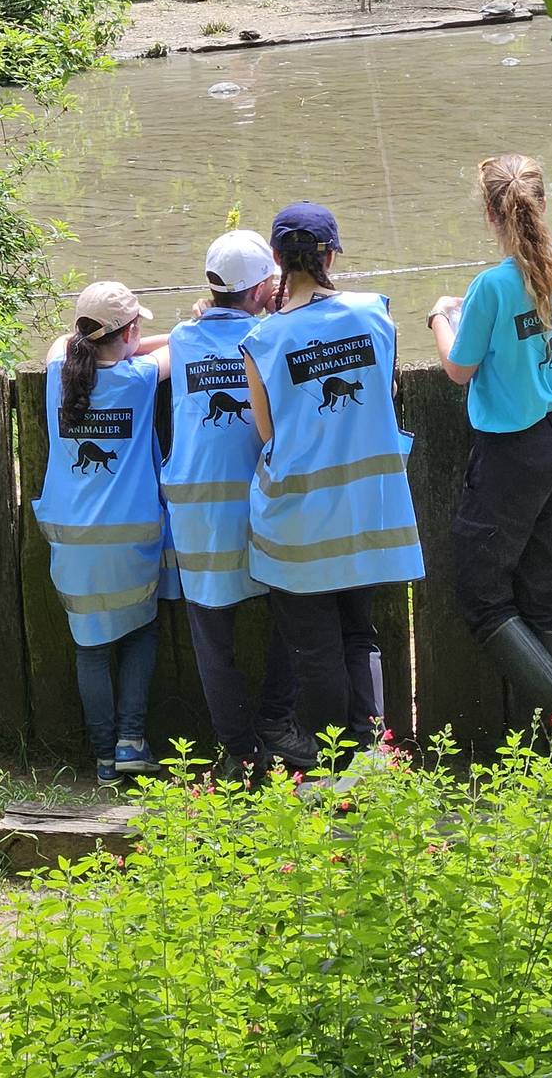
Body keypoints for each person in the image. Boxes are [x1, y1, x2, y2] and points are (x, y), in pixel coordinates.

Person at [428, 154, 552, 750]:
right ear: (543, 201)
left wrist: (441, 316)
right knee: (542, 589)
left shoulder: (489, 286)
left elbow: (459, 370)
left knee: (481, 596)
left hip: (513, 453)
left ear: (490, 213)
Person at [240, 202, 424, 760]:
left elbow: (267, 431)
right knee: (358, 635)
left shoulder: (264, 340)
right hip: (368, 510)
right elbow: (385, 396)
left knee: (314, 649)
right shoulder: (376, 314)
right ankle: (368, 757)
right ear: (331, 255)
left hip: (298, 520)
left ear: (276, 261)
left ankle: (334, 768)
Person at [163, 230, 314, 779]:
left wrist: (205, 313)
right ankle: (276, 720)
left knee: (211, 635)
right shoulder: (274, 335)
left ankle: (238, 750)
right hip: (265, 501)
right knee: (296, 614)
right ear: (259, 290)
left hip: (199, 511)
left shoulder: (182, 339)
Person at [33, 282, 174, 786]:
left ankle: (103, 756)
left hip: (71, 539)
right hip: (130, 537)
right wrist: (141, 344)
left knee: (89, 646)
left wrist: (118, 340)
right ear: (131, 332)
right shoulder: (138, 378)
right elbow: (184, 342)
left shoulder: (58, 374)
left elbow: (61, 345)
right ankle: (132, 740)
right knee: (141, 630)